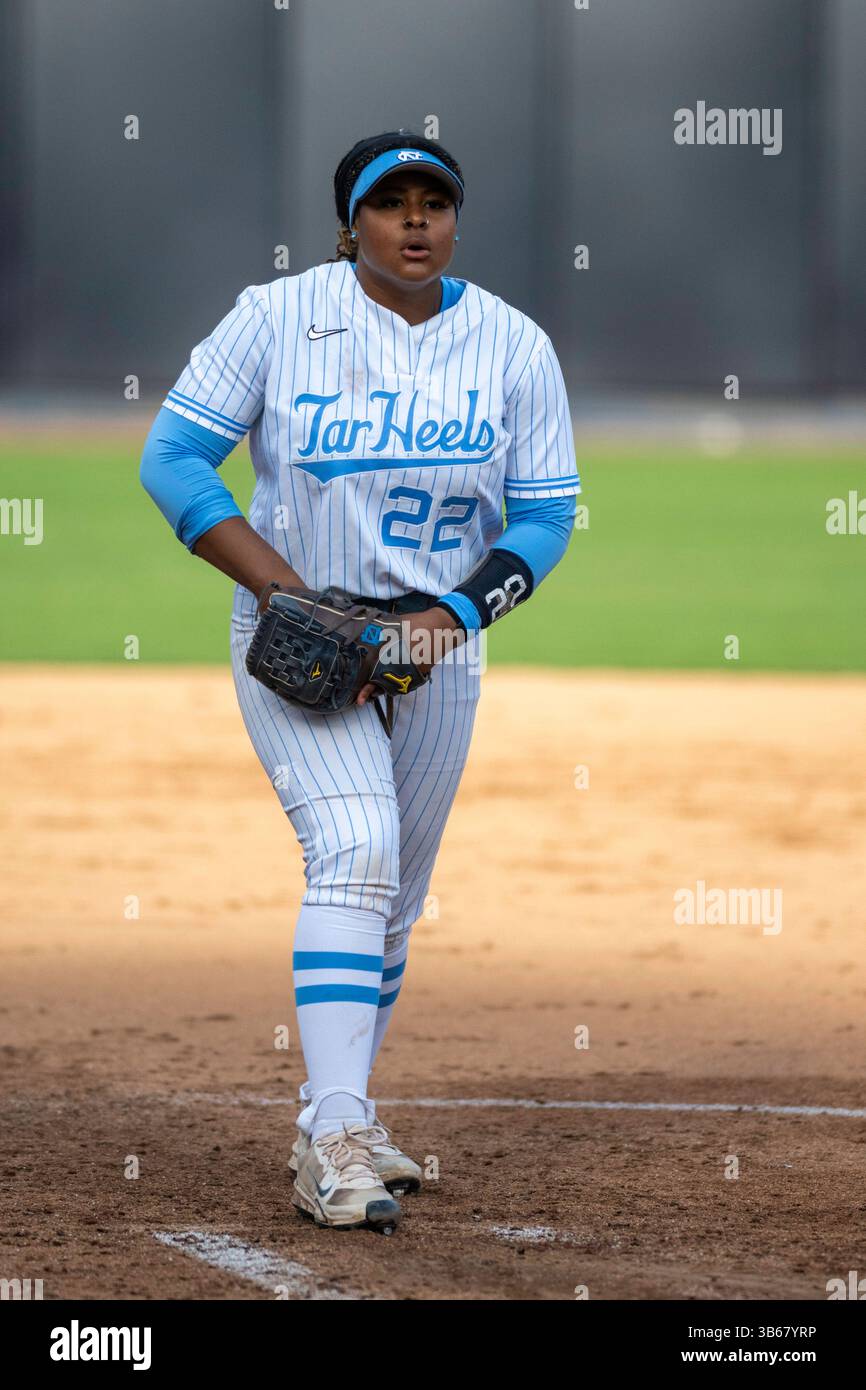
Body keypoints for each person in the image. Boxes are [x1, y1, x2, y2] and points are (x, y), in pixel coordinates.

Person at [140, 129, 581, 1233]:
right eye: (393, 204)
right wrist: (287, 593)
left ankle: (344, 1110)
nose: (417, 220)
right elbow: (172, 459)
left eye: (435, 201)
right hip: (298, 643)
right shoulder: (275, 317)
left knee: (393, 901)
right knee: (355, 848)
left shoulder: (513, 346)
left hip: (437, 645)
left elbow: (542, 515)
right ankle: (331, 1132)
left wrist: (454, 616)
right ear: (352, 224)